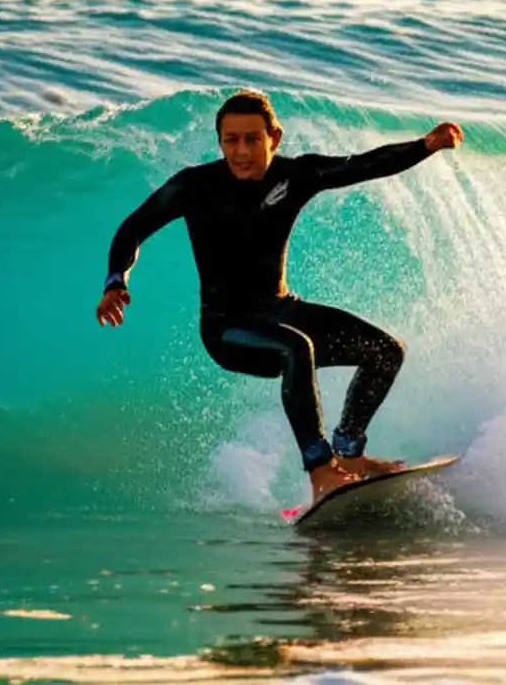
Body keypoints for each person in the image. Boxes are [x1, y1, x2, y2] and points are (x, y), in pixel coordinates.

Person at [96, 89, 464, 503]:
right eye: (231, 140)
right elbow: (133, 228)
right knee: (296, 347)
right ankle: (321, 470)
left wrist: (425, 146)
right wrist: (116, 281)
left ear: (275, 137)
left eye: (253, 139)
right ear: (219, 143)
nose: (241, 151)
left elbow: (359, 166)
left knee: (385, 350)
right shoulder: (194, 185)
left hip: (281, 310)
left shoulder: (295, 176)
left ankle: (349, 453)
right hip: (227, 330)